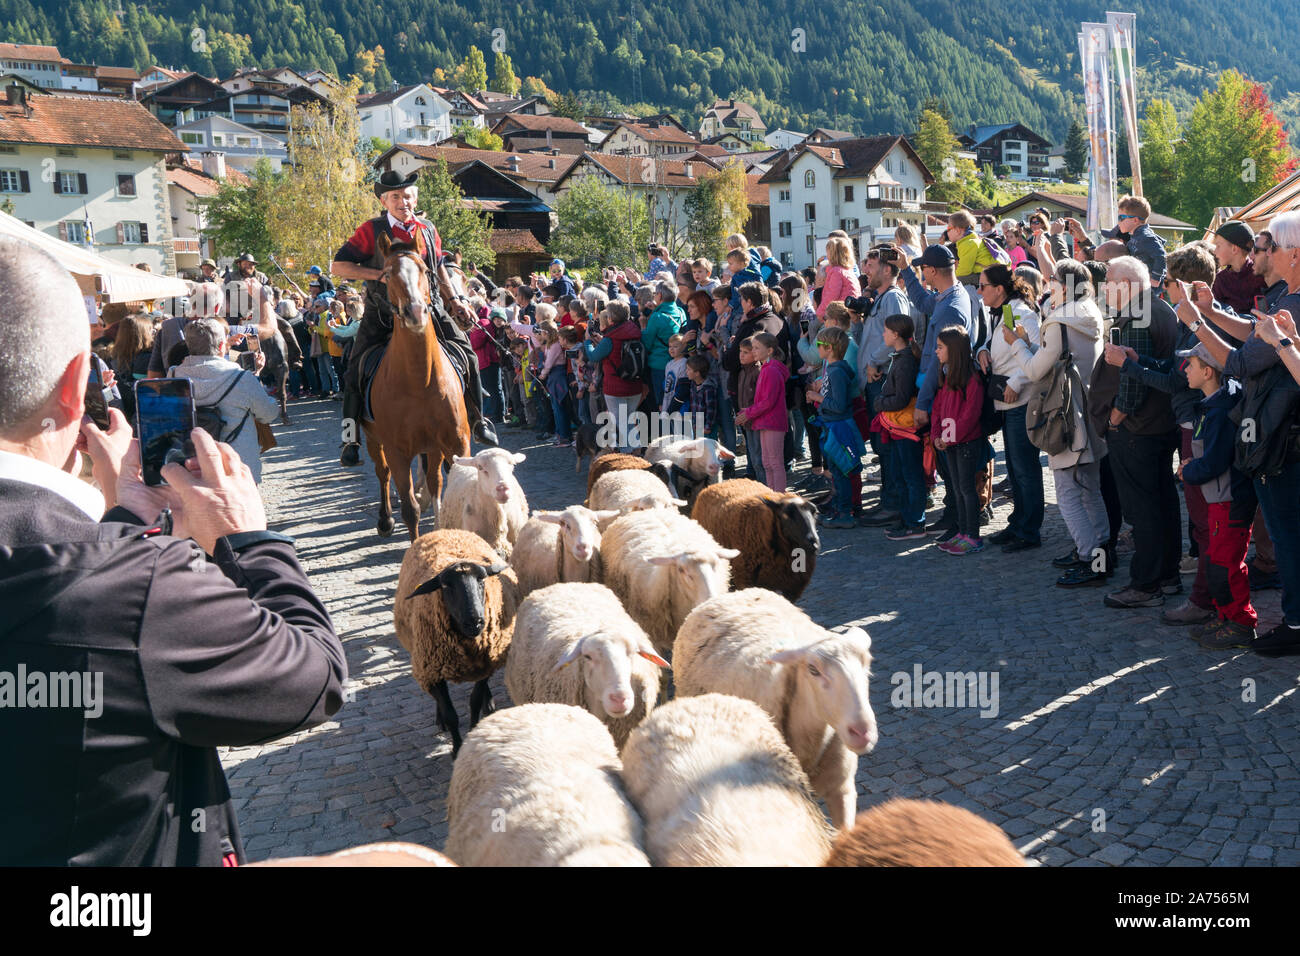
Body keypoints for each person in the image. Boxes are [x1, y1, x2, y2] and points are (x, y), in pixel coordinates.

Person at [0, 236, 345, 865]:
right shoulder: (141, 586)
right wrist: (249, 538)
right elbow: (313, 676)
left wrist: (124, 515)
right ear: (76, 384)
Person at [1175, 209, 1300, 655]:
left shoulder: (1295, 303)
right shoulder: (1287, 295)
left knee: (1287, 535)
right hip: (1274, 432)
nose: (1258, 251)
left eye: (1267, 246)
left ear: (1293, 254)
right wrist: (1210, 312)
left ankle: (1294, 622)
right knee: (1283, 533)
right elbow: (1253, 334)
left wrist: (1194, 321)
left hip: (1281, 437)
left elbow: (1242, 362)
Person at [330, 169, 498, 466]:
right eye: (395, 197)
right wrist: (377, 275)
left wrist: (456, 300)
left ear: (415, 197)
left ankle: (479, 420)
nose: (402, 201)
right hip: (383, 314)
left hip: (429, 310)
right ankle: (350, 438)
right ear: (385, 200)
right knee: (354, 370)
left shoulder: (428, 229)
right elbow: (339, 267)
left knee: (468, 355)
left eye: (407, 196)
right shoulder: (371, 229)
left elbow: (439, 268)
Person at [1006, 260, 1109, 587]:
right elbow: (1061, 358)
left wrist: (1017, 344)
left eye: (1053, 281)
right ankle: (1102, 552)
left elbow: (1036, 371)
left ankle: (1089, 558)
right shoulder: (1089, 313)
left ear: (1065, 285)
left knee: (1066, 492)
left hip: (1065, 417)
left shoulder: (1059, 321)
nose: (1049, 286)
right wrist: (1031, 344)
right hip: (1089, 412)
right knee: (1091, 489)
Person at [1090, 256, 1182, 608]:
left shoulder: (1140, 315)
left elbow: (1132, 381)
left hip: (1138, 429)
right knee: (1161, 504)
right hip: (1157, 425)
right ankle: (1167, 576)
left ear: (1126, 284)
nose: (1104, 288)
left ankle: (1146, 585)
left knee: (1143, 509)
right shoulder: (1157, 308)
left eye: (1109, 281)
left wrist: (1115, 418)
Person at [1173, 343, 1258, 649]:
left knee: (1226, 565)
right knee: (1218, 562)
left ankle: (1241, 623)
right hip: (1219, 499)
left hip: (1228, 500)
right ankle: (1226, 617)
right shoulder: (1214, 404)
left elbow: (1215, 461)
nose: (1185, 370)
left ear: (1208, 371)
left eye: (1191, 365)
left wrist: (1189, 471)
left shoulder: (1220, 410)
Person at [976, 265, 1043, 551]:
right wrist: (982, 350)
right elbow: (996, 344)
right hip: (1006, 400)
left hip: (1022, 399)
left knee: (1025, 467)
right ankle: (1018, 523)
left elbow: (1039, 353)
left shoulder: (1023, 313)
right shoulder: (1002, 311)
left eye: (982, 286)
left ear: (999, 289)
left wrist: (1017, 380)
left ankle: (1029, 531)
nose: (979, 292)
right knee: (1015, 470)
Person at [171, 318, 281, 483]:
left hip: (193, 464)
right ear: (222, 346)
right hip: (236, 464)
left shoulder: (173, 376)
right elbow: (268, 414)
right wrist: (257, 380)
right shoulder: (241, 378)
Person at [930, 326, 986, 555]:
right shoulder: (946, 372)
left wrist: (949, 438)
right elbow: (938, 409)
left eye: (940, 347)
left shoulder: (971, 378)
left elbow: (970, 415)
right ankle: (962, 533)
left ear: (953, 350)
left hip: (965, 443)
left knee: (966, 489)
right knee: (956, 488)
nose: (936, 351)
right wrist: (936, 435)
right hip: (949, 442)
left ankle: (972, 536)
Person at [873, 313, 925, 539]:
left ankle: (915, 522)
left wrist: (879, 403)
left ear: (896, 334)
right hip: (898, 429)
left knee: (911, 476)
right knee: (903, 475)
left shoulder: (905, 361)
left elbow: (901, 399)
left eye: (885, 331)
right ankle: (906, 518)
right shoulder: (901, 356)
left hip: (905, 428)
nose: (883, 334)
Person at [807, 325, 863, 529]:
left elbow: (838, 405)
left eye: (819, 344)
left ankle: (845, 512)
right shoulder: (833, 369)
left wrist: (817, 397)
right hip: (832, 425)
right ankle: (842, 508)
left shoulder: (837, 371)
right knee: (837, 473)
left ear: (829, 348)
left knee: (841, 473)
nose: (817, 348)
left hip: (838, 428)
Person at [581, 300, 645, 453]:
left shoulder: (610, 338)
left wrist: (588, 342)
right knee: (630, 419)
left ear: (610, 318)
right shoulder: (634, 332)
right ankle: (635, 449)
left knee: (620, 423)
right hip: (635, 384)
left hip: (616, 387)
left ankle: (629, 453)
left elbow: (593, 356)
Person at [736, 331, 789, 492]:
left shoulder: (771, 370)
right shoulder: (767, 368)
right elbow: (764, 400)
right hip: (765, 421)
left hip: (772, 422)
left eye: (757, 348)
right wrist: (749, 410)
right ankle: (771, 496)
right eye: (753, 348)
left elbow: (768, 401)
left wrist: (748, 413)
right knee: (767, 463)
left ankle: (778, 497)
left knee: (774, 463)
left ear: (770, 350)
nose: (754, 351)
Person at [1103, 195, 1167, 286]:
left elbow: (1161, 256)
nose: (1118, 222)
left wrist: (1156, 278)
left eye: (1121, 218)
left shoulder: (1146, 237)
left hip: (1151, 286)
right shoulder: (1135, 236)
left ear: (1135, 220)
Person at [1210, 221, 1268, 315]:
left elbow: (1264, 311)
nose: (1215, 251)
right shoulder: (1220, 280)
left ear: (1234, 249)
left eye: (1218, 246)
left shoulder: (1260, 276)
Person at [643, 279, 685, 407]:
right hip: (679, 364)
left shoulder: (657, 317)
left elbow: (647, 343)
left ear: (660, 296)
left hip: (659, 365)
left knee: (661, 404)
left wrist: (643, 326)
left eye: (655, 293)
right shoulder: (680, 312)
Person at [111, 313, 154, 426]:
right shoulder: (148, 359)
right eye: (151, 330)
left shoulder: (111, 358)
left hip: (120, 417)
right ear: (144, 334)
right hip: (142, 418)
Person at [949, 211, 999, 285]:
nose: (947, 231)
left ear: (958, 230)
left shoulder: (968, 243)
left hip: (993, 276)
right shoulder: (970, 240)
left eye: (949, 228)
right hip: (992, 273)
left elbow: (964, 271)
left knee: (955, 280)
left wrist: (948, 278)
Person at [817, 236, 861, 317]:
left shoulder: (836, 272)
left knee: (812, 326)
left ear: (832, 254)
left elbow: (831, 296)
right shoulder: (848, 271)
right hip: (849, 313)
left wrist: (820, 313)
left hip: (838, 316)